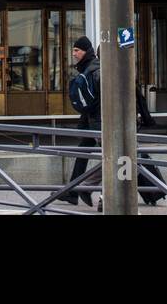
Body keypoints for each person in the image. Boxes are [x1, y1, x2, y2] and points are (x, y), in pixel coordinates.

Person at [63, 37, 100, 208]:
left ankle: (81, 189)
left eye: (77, 50)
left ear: (86, 51)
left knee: (121, 157)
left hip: (99, 122)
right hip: (93, 120)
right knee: (83, 153)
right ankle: (72, 192)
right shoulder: (89, 67)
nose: (74, 53)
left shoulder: (93, 68)